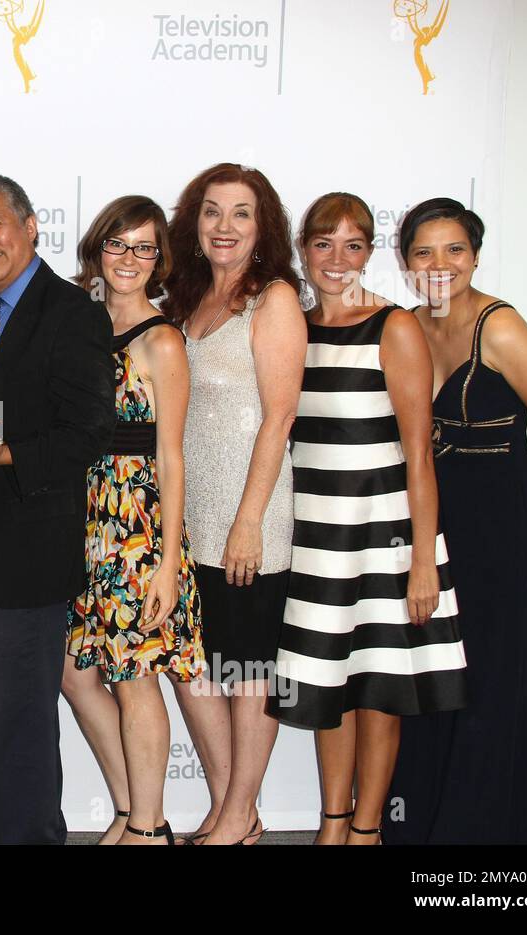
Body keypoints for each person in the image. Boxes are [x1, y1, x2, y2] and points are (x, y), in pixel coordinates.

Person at [269, 192, 467, 845]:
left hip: (385, 538)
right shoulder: (291, 328)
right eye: (323, 243)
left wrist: (420, 562)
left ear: (369, 253)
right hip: (318, 541)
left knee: (380, 689)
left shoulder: (394, 327)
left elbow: (419, 453)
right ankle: (332, 825)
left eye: (353, 245)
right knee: (327, 688)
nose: (336, 258)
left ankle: (366, 829)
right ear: (305, 250)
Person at [385, 198, 527, 844]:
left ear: (475, 254)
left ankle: (483, 836)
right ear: (406, 260)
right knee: (435, 673)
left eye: (455, 250)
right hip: (433, 518)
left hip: (503, 525)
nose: (440, 265)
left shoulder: (498, 326)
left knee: (495, 677)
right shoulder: (410, 325)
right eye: (424, 252)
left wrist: (510, 482)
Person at [0, 173, 115, 844]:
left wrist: (4, 456)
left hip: (26, 547)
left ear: (31, 226)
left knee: (18, 719)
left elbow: (90, 429)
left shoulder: (71, 312)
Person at [161, 163, 306, 845]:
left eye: (241, 213)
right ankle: (231, 811)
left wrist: (248, 521)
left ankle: (239, 812)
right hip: (194, 516)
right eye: (212, 211)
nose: (225, 226)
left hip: (253, 516)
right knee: (199, 664)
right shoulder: (186, 300)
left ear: (262, 226)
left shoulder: (272, 298)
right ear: (194, 222)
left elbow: (278, 418)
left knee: (248, 669)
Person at [61, 195, 202, 846]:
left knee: (134, 675)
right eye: (118, 244)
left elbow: (172, 457)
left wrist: (168, 563)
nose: (129, 259)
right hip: (82, 517)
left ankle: (148, 828)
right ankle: (131, 808)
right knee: (76, 671)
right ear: (98, 249)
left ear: (159, 260)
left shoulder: (162, 339)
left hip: (137, 523)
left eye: (144, 247)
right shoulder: (80, 323)